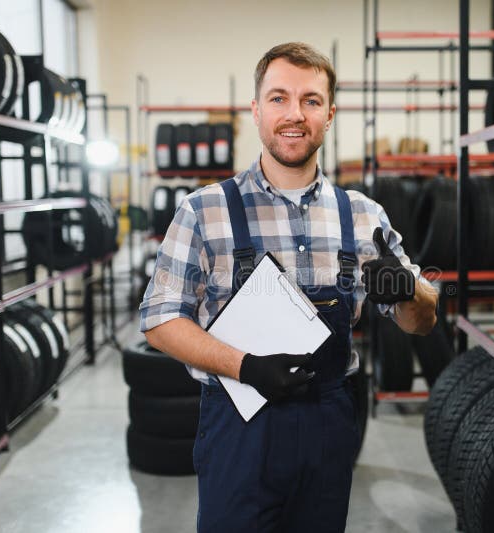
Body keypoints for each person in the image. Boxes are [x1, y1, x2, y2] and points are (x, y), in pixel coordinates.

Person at [140, 42, 438, 533]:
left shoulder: (364, 216)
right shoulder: (203, 211)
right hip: (239, 430)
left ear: (330, 113)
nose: (294, 114)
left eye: (311, 100)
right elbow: (159, 318)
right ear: (256, 111)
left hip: (329, 424)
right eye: (278, 98)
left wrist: (410, 291)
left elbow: (420, 321)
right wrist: (246, 366)